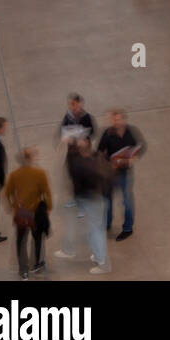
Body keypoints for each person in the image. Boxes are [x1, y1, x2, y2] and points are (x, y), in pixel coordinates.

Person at [55, 136, 111, 274]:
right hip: (94, 199)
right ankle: (74, 251)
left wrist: (69, 144)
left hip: (89, 200)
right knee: (93, 229)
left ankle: (103, 264)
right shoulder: (96, 157)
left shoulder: (80, 165)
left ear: (81, 150)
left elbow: (71, 164)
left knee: (95, 231)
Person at [96, 110, 144, 241]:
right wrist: (106, 164)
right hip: (109, 173)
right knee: (107, 201)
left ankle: (127, 228)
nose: (115, 122)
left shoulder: (131, 132)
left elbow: (141, 146)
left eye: (117, 119)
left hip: (125, 173)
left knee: (127, 201)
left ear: (124, 120)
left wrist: (133, 158)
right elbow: (98, 152)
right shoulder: (107, 133)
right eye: (113, 119)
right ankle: (107, 223)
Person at [4, 147, 52, 278]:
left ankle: (23, 270)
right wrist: (48, 207)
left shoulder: (14, 175)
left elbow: (7, 193)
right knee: (37, 239)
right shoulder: (40, 173)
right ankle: (36, 264)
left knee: (21, 240)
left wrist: (13, 206)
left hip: (22, 212)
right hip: (36, 210)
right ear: (30, 159)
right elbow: (46, 193)